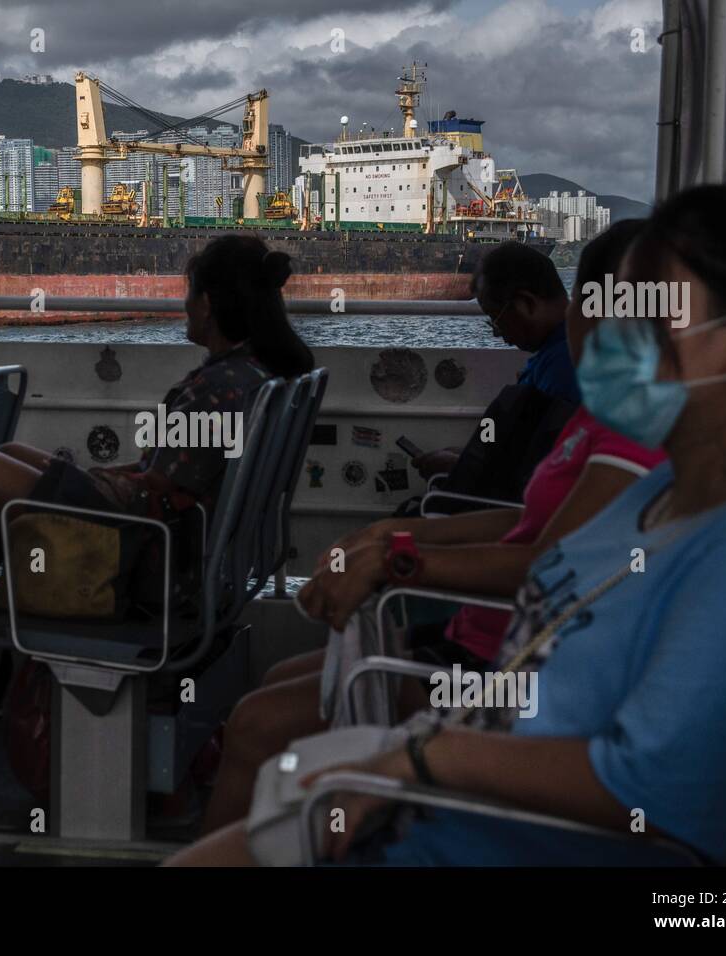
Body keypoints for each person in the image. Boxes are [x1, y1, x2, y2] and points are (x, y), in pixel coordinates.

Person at [167, 184, 726, 866]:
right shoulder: (661, 495)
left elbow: (654, 791)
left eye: (648, 314)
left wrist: (417, 760)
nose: (613, 335)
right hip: (448, 801)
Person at [198, 219, 662, 833]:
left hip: (496, 671)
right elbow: (533, 521)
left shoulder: (631, 431)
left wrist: (399, 562)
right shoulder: (606, 414)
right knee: (277, 684)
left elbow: (553, 561)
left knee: (258, 724)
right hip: (479, 642)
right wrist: (391, 538)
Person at [0, 234, 315, 660]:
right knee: (11, 452)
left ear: (207, 304)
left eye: (190, 292)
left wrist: (101, 481)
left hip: (147, 555)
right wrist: (96, 477)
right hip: (178, 545)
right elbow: (177, 481)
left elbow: (162, 495)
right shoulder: (254, 377)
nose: (183, 304)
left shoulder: (218, 389)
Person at [411, 240, 578, 482]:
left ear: (526, 304)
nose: (497, 334)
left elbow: (540, 475)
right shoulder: (558, 356)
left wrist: (460, 467)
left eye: (495, 319)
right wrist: (468, 458)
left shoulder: (562, 370)